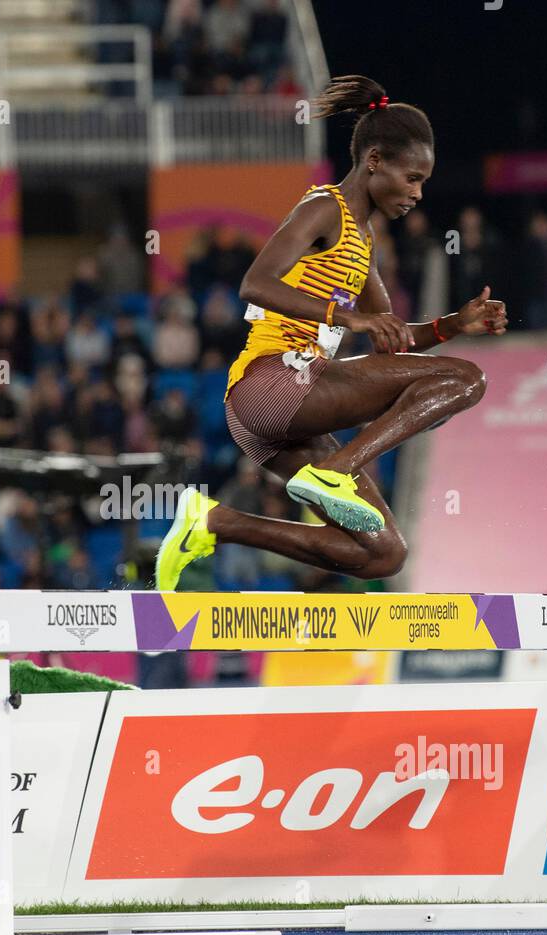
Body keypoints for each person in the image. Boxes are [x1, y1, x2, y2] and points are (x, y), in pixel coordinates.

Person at [156, 75, 506, 590]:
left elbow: (392, 338)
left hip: (281, 420)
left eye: (423, 183)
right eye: (411, 178)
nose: (418, 193)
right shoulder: (324, 208)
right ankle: (335, 472)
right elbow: (255, 283)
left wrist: (454, 324)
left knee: (384, 554)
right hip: (268, 382)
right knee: (468, 380)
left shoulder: (363, 243)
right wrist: (347, 317)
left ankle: (215, 523)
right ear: (374, 162)